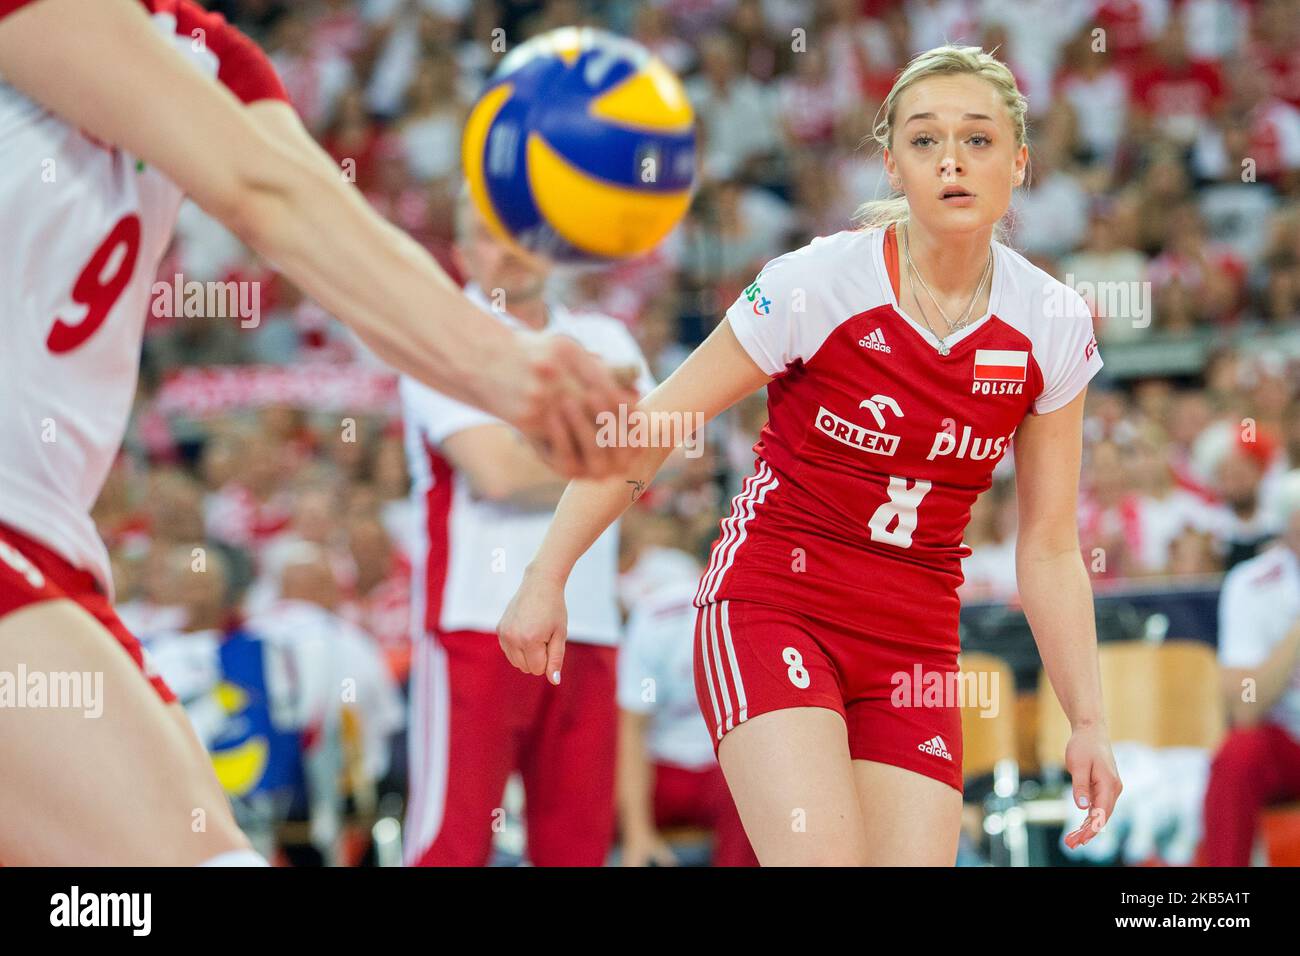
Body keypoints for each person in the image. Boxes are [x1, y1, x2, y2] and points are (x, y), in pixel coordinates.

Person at [0, 0, 632, 867]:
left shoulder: (212, 54)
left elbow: (325, 226)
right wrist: (499, 364)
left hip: (45, 536)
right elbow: (264, 195)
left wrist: (511, 371)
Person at [500, 45, 1123, 865]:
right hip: (774, 604)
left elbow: (1047, 546)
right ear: (894, 167)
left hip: (916, 642)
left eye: (977, 139)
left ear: (1020, 162)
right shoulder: (815, 283)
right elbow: (651, 429)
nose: (952, 162)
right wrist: (547, 575)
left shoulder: (1052, 322)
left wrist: (1088, 721)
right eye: (925, 141)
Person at [402, 199, 655, 867]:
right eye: (485, 236)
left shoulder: (606, 338)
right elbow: (498, 474)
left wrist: (549, 441)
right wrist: (607, 444)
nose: (506, 249)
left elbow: (670, 456)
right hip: (474, 619)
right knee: (450, 846)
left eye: (518, 230)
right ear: (460, 257)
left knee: (577, 846)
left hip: (589, 624)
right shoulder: (443, 339)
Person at [617, 578, 758, 867]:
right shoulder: (659, 615)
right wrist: (637, 833)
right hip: (660, 769)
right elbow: (631, 727)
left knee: (762, 783)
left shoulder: (762, 612)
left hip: (725, 773)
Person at [1202, 470, 1300, 866]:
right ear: (1288, 526)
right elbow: (1245, 708)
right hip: (1289, 739)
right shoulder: (1251, 583)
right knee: (1238, 754)